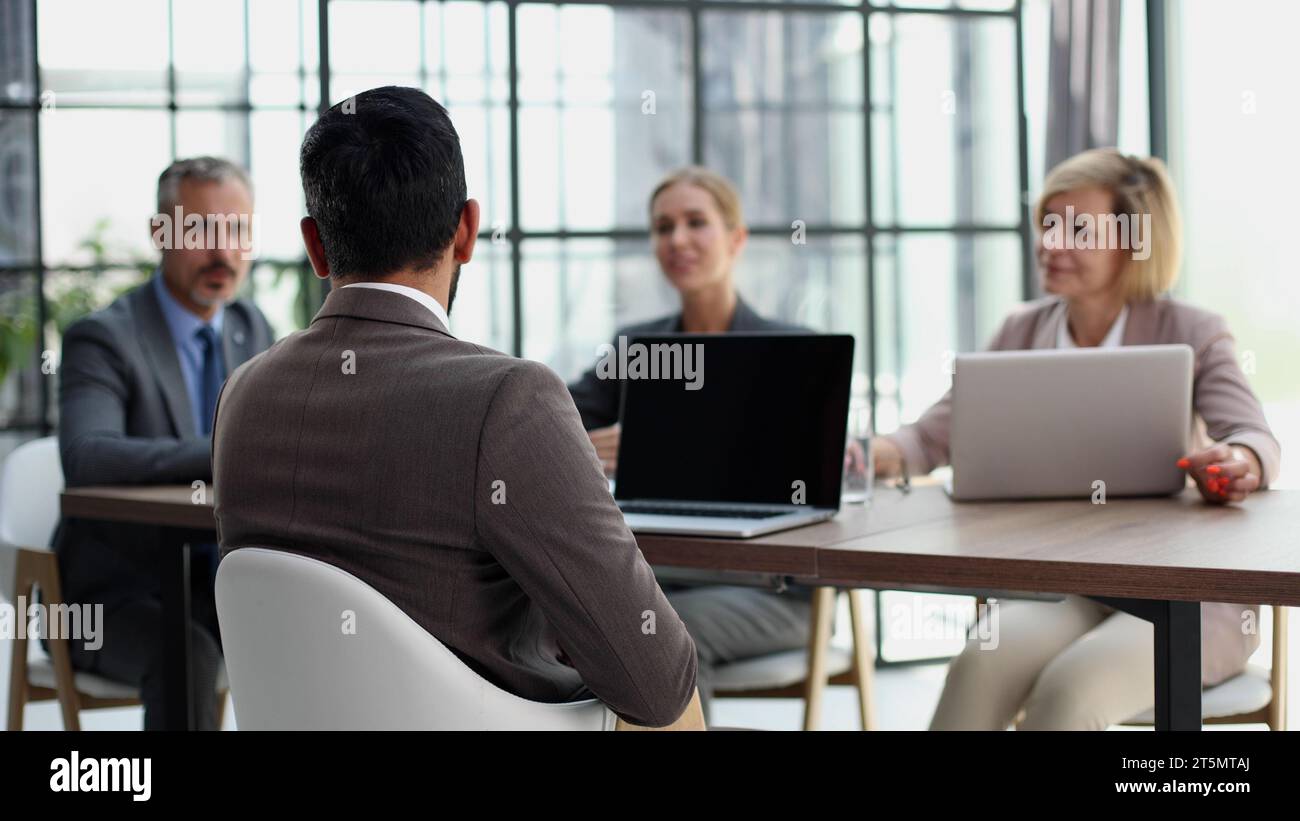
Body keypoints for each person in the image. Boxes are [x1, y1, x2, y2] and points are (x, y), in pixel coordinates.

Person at [212, 86, 701, 729]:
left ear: (316, 246)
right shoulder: (507, 400)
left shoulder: (243, 393)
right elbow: (656, 682)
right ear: (467, 230)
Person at [871, 148, 1281, 730]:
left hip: (1186, 604)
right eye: (1047, 224)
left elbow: (1252, 437)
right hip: (1067, 588)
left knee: (1069, 693)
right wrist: (867, 452)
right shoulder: (1021, 330)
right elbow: (928, 438)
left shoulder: (1192, 331)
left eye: (1079, 229)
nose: (1051, 243)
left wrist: (1237, 461)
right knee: (977, 666)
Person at [568, 166, 814, 719]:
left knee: (665, 636)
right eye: (663, 227)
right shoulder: (638, 349)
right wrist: (590, 444)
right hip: (664, 577)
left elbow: (817, 470)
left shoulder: (792, 355)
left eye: (695, 223)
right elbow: (546, 419)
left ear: (736, 238)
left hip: (774, 589)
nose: (676, 239)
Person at [55, 156, 276, 730]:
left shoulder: (250, 329)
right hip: (112, 599)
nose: (223, 252)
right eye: (200, 230)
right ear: (161, 234)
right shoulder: (104, 337)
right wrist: (226, 449)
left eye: (238, 231)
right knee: (189, 655)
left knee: (322, 620)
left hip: (216, 582)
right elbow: (87, 457)